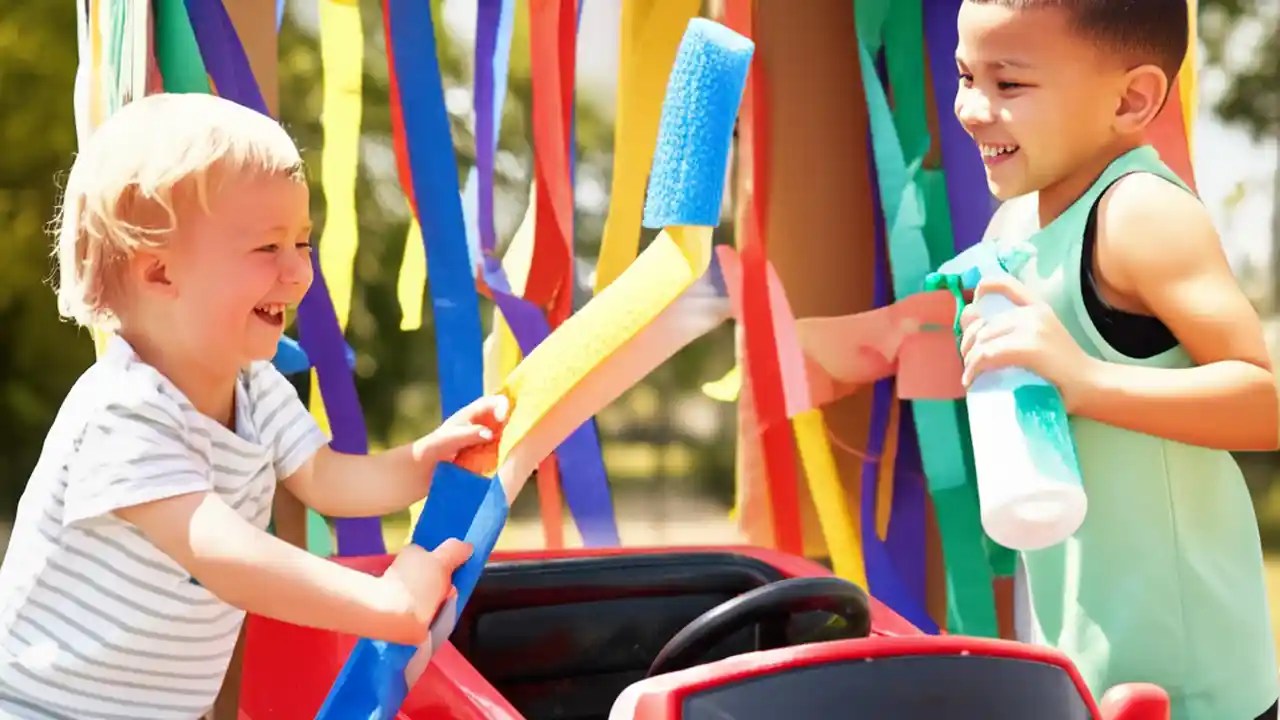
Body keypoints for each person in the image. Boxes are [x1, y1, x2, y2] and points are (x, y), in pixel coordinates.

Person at [0, 92, 509, 719]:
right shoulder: (123, 413)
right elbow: (223, 557)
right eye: (269, 248)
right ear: (159, 273)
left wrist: (423, 461)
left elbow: (329, 479)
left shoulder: (254, 385)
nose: (299, 274)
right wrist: (385, 603)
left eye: (303, 243)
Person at [952, 1, 1279, 718]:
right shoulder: (1013, 223)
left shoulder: (1139, 215)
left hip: (1192, 683)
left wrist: (1088, 380)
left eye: (1008, 85)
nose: (971, 109)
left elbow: (1266, 402)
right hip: (1087, 666)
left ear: (1132, 99)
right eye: (964, 75)